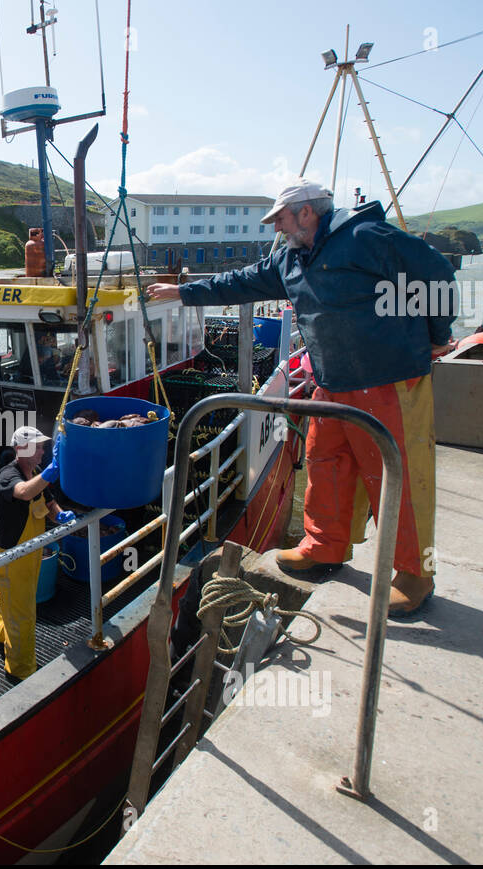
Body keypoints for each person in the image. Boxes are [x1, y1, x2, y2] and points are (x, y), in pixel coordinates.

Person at [147, 179, 457, 616]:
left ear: (306, 213)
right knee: (326, 462)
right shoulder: (291, 258)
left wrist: (437, 336)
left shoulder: (367, 237)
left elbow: (437, 274)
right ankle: (323, 546)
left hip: (390, 381)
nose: (277, 229)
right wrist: (183, 292)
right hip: (331, 383)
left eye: (281, 219)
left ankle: (415, 573)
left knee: (399, 476)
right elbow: (245, 282)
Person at [0, 426, 73, 679]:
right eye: (37, 446)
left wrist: (60, 515)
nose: (42, 450)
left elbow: (47, 501)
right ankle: (21, 669)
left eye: (43, 445)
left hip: (31, 552)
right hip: (10, 556)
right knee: (23, 613)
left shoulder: (35, 473)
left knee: (14, 600)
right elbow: (24, 493)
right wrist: (51, 472)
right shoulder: (8, 475)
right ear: (20, 450)